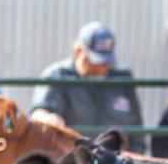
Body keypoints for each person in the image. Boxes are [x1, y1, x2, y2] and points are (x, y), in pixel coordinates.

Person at [31, 21, 145, 152]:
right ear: (79, 51)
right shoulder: (57, 75)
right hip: (75, 161)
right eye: (96, 60)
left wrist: (135, 159)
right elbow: (39, 113)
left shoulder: (122, 78)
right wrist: (48, 118)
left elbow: (137, 130)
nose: (102, 67)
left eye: (107, 61)